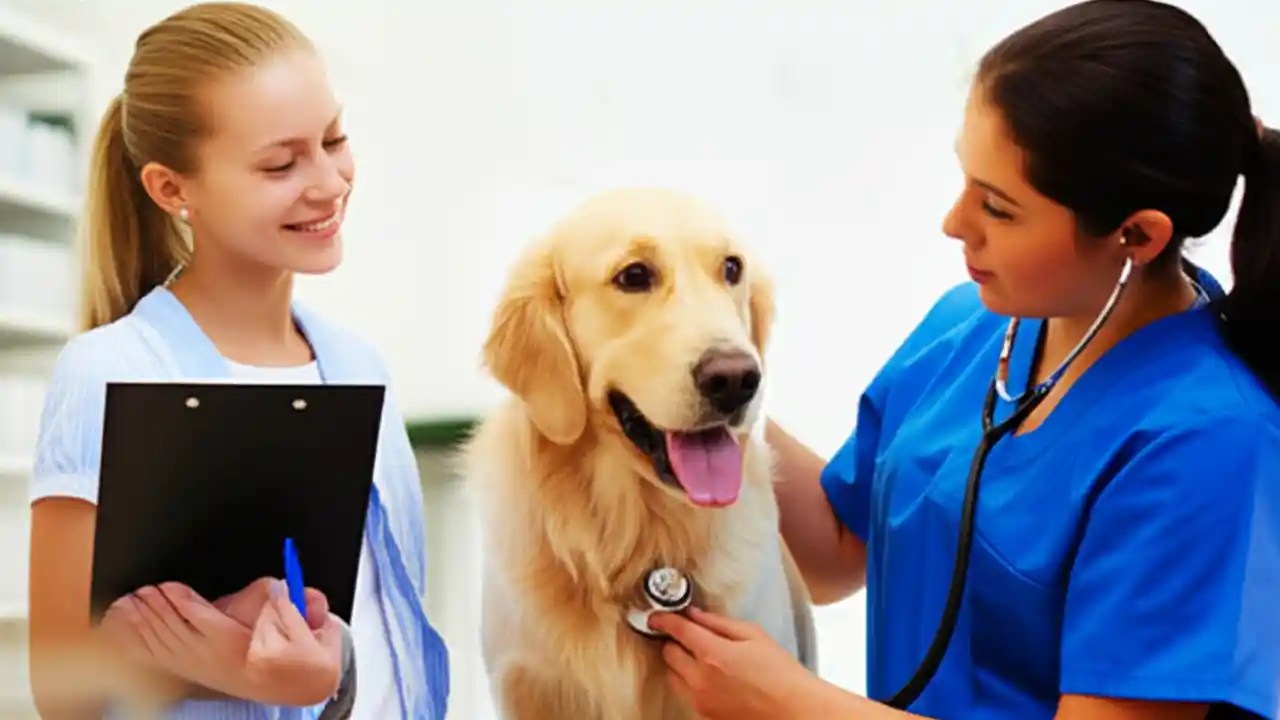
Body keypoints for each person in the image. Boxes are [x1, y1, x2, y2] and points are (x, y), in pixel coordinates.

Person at [648, 1, 1280, 718]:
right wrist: (706, 393)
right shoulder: (971, 327)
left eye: (998, 208)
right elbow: (834, 549)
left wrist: (791, 704)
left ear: (1135, 235)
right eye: (964, 181)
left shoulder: (1208, 444)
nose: (954, 223)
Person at [26, 3, 449, 719]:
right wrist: (235, 668)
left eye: (333, 139)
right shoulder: (112, 370)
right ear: (171, 189)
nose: (328, 183)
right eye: (280, 163)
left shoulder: (360, 370)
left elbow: (386, 649)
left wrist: (327, 669)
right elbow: (63, 689)